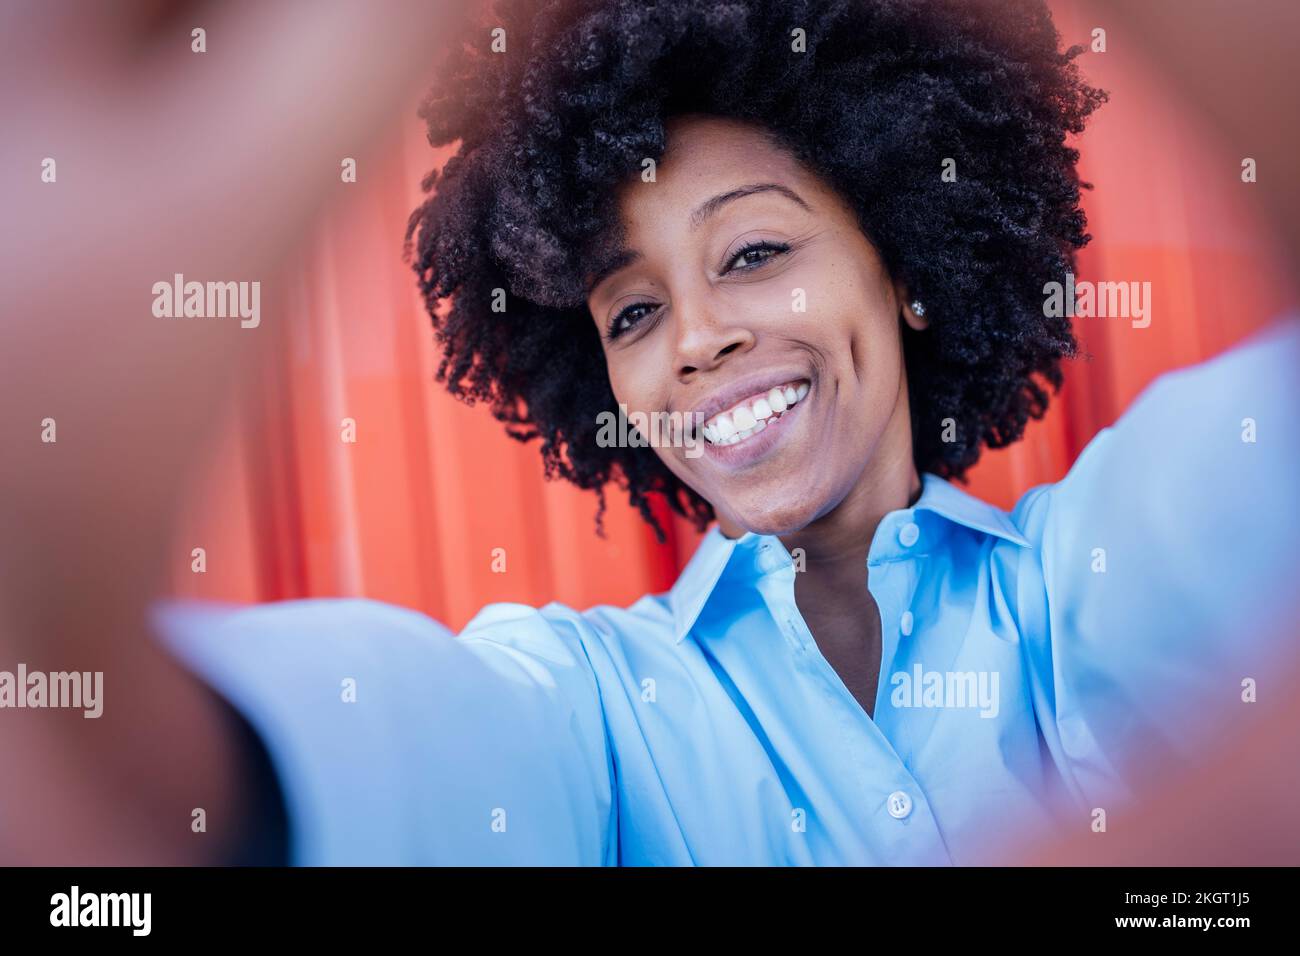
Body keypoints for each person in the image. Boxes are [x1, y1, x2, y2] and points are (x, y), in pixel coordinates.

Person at [7, 0, 1300, 866]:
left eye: (753, 251)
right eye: (631, 312)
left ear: (905, 268)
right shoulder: (585, 709)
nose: (694, 342)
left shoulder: (1091, 575)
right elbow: (272, 768)